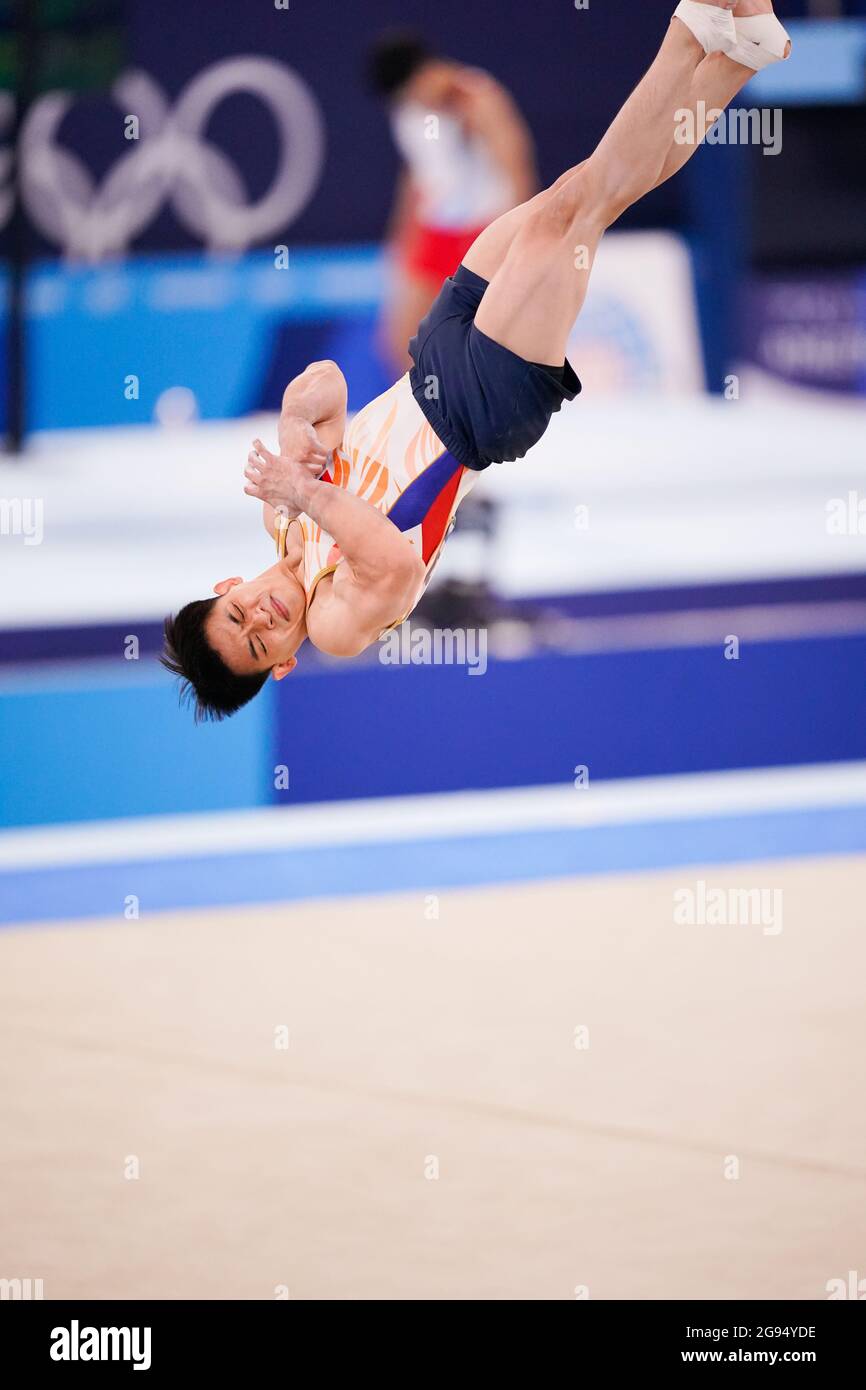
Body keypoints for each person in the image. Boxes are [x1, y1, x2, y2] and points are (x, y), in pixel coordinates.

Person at [162, 0, 791, 723]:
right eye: (261, 642)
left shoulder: (282, 520)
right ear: (281, 666)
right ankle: (692, 33)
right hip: (477, 411)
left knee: (584, 192)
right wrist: (304, 492)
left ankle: (742, 56)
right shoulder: (333, 627)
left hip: (433, 352)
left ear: (228, 584)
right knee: (575, 210)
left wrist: (296, 422)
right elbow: (394, 565)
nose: (263, 618)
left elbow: (329, 387)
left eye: (237, 614)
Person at [367, 31, 537, 374]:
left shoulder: (477, 97)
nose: (412, 99)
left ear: (426, 73)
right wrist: (402, 236)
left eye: (411, 90)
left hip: (483, 231)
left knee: (483, 340)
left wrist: (523, 238)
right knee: (398, 340)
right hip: (436, 229)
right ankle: (426, 416)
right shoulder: (407, 109)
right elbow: (418, 174)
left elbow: (518, 168)